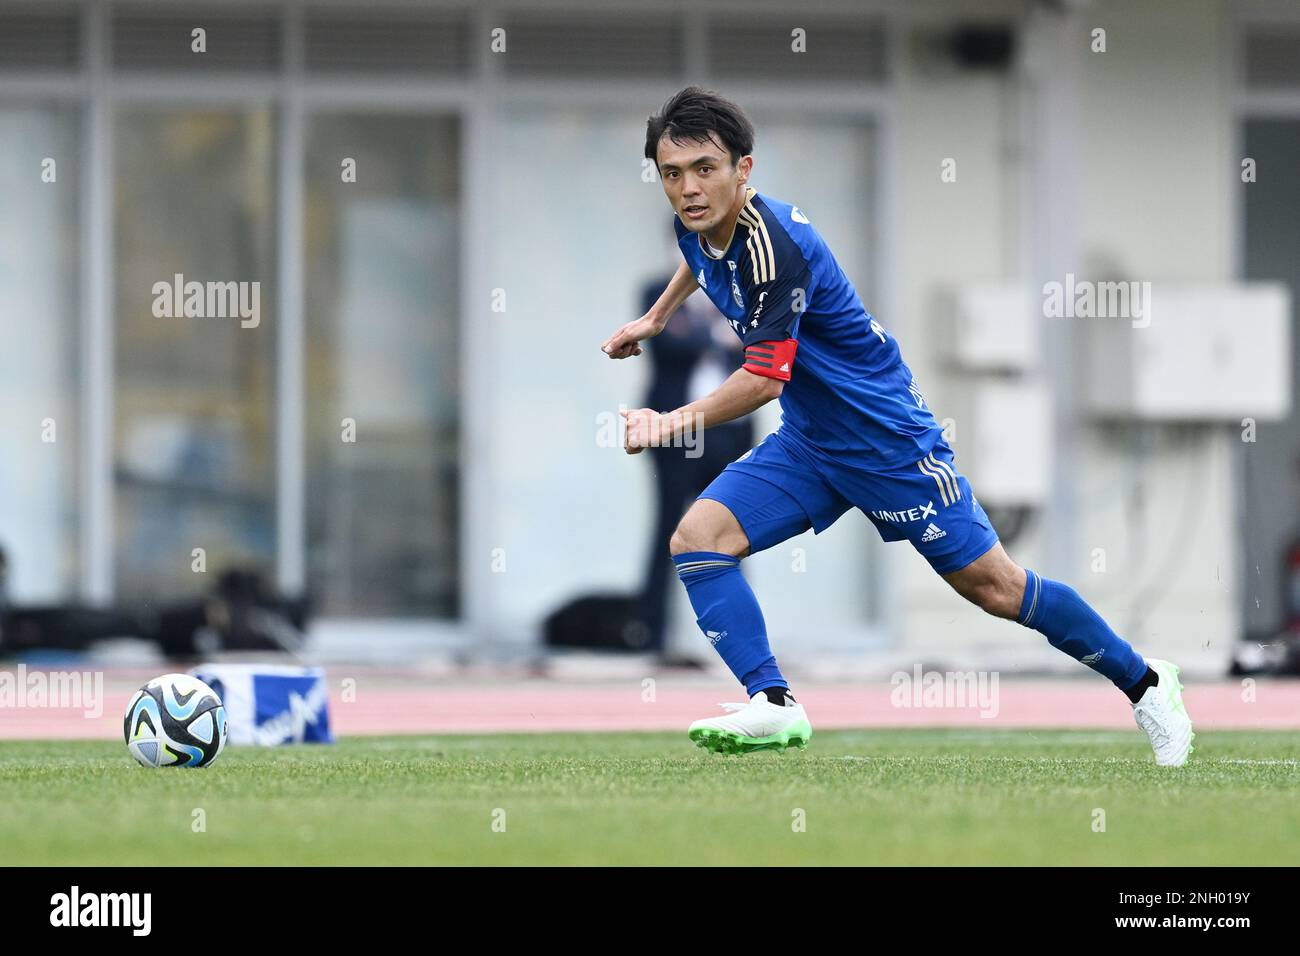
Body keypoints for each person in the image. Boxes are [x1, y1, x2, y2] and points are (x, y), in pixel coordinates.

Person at [600, 87, 1194, 765]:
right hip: (812, 442)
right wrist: (656, 317)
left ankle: (1146, 683)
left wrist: (669, 423)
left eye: (706, 168)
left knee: (995, 588)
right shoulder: (697, 220)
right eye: (672, 174)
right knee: (699, 538)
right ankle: (773, 703)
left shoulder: (778, 248)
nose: (688, 188)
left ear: (745, 168)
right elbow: (700, 258)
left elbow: (764, 379)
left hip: (889, 444)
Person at [635, 273, 752, 663]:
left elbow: (758, 358)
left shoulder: (739, 292)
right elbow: (671, 346)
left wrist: (715, 336)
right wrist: (716, 335)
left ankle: (737, 639)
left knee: (730, 534)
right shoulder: (659, 294)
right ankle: (652, 637)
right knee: (668, 530)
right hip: (677, 434)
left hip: (726, 433)